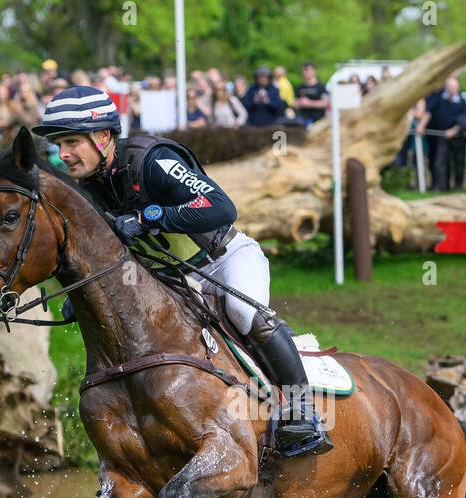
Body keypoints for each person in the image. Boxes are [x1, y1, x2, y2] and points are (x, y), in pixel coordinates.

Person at [30, 85, 332, 457]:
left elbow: (221, 207)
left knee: (244, 313)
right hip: (176, 280)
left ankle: (303, 410)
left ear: (103, 135)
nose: (63, 155)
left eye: (71, 142)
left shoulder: (151, 160)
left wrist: (149, 217)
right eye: (58, 145)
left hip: (225, 258)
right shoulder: (89, 187)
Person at [416, 76, 466, 191]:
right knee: (440, 162)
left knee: (458, 163)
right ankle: (441, 186)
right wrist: (421, 125)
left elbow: (465, 120)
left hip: (458, 137)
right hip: (442, 136)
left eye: (454, 87)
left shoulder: (462, 101)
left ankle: (458, 187)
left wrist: (454, 130)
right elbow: (429, 112)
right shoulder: (439, 98)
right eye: (450, 87)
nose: (452, 89)